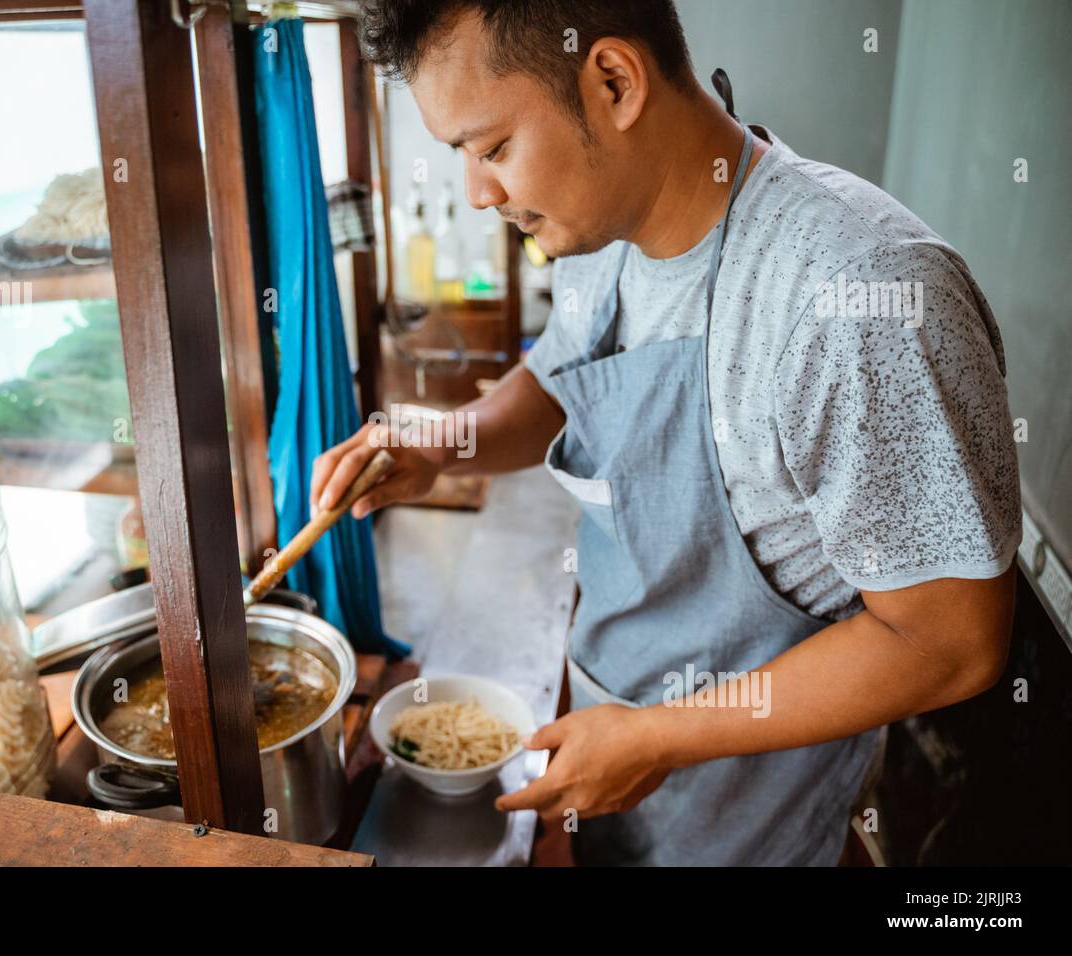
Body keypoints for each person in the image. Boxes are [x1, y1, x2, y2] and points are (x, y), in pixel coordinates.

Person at [311, 0, 1021, 865]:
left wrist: (659, 737)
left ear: (613, 81)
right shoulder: (603, 229)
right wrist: (444, 444)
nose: (478, 192)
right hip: (606, 764)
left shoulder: (855, 298)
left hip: (750, 825)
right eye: (461, 155)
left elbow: (952, 639)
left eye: (493, 147)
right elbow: (559, 379)